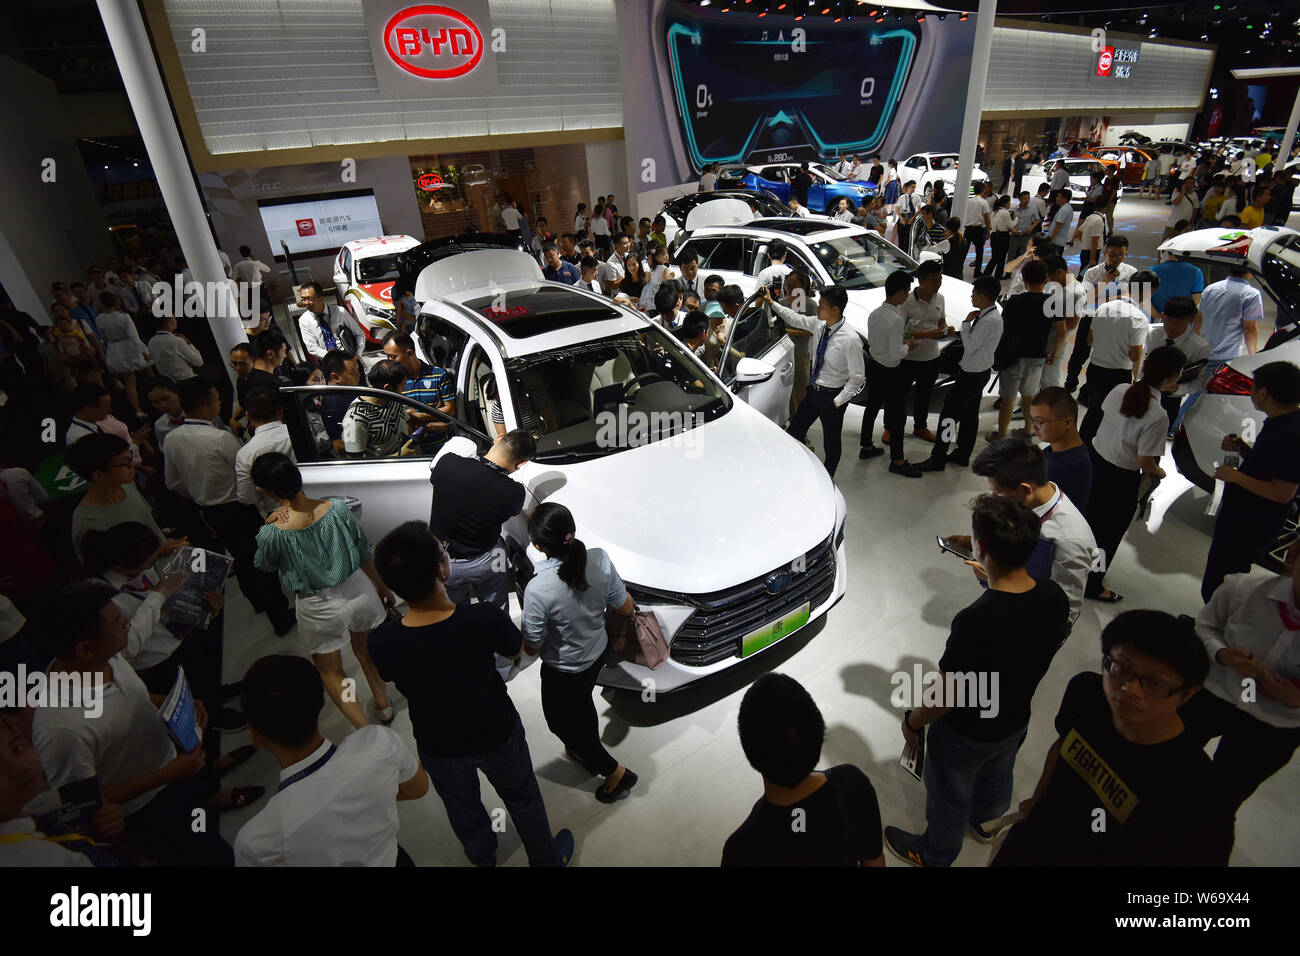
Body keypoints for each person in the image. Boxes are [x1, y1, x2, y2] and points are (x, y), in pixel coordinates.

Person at [370, 521, 574, 868]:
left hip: (437, 743)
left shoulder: (382, 640)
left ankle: (483, 856)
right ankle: (546, 860)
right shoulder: (482, 618)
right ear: (442, 569)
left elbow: (396, 678)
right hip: (496, 729)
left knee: (461, 807)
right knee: (523, 797)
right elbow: (515, 651)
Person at [884, 494, 1068, 867]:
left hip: (965, 732)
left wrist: (913, 721)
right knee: (999, 774)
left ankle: (935, 853)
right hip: (1015, 718)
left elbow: (947, 694)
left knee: (949, 794)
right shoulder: (1054, 596)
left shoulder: (976, 621)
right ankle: (986, 822)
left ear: (980, 547)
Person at [995, 610, 1234, 867]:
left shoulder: (1201, 799)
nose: (1129, 689)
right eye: (1120, 668)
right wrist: (1040, 798)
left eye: (1154, 683)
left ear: (1187, 694)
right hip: (1030, 846)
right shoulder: (1087, 693)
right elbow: (1065, 745)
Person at [30, 582, 241, 866]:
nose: (128, 621)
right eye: (118, 622)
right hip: (149, 809)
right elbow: (86, 801)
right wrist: (168, 774)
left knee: (207, 836)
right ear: (84, 649)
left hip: (176, 771)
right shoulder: (62, 728)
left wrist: (172, 701)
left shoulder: (106, 656)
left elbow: (131, 695)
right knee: (202, 856)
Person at [234, 654, 428, 866]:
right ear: (322, 701)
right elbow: (419, 787)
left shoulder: (256, 842)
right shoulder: (380, 744)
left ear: (255, 735)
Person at [251, 454, 396, 729]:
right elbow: (364, 551)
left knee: (334, 672)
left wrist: (270, 525)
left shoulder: (273, 533)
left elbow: (264, 564)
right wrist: (382, 586)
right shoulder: (338, 510)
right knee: (366, 652)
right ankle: (383, 705)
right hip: (358, 590)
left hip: (318, 606)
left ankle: (363, 727)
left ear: (265, 490)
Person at [521, 503, 638, 802]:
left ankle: (614, 772)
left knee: (558, 721)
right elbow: (624, 606)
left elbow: (533, 644)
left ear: (537, 545)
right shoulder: (598, 558)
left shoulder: (539, 588)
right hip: (597, 652)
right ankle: (583, 749)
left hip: (564, 668)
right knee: (582, 702)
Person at [166, 378, 296, 633]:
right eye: (216, 399)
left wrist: (198, 493)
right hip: (238, 508)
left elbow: (172, 482)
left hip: (208, 511)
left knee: (241, 560)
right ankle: (280, 617)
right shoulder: (220, 439)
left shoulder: (171, 439)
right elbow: (245, 475)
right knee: (260, 562)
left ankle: (258, 603)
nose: (220, 402)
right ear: (204, 407)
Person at [722, 672, 884, 867]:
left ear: (748, 747)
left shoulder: (741, 849)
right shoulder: (853, 784)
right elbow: (873, 861)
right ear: (817, 731)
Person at [1186, 541, 1300, 815]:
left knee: (1222, 800)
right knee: (1162, 763)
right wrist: (1223, 654)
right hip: (1215, 689)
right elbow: (1206, 626)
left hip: (1276, 722)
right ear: (1294, 557)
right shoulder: (1245, 589)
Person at [1085, 346, 1186, 603]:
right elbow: (1145, 461)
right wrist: (1160, 472)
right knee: (1108, 535)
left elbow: (1105, 420)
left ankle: (1072, 564)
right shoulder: (1157, 414)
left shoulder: (1120, 389)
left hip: (1095, 462)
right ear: (1173, 377)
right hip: (1120, 479)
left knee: (1089, 520)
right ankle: (1093, 584)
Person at [964, 438, 1097, 625]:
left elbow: (1063, 612)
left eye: (997, 491)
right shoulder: (1029, 501)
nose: (994, 498)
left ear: (1025, 489)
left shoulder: (1070, 540)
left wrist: (1000, 583)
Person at [1201, 361, 1300, 601]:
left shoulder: (1292, 434)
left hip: (1251, 523)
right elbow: (1271, 469)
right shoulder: (1280, 423)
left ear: (1265, 393)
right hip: (1242, 516)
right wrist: (1244, 450)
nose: (1251, 393)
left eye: (1254, 388)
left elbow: (1282, 492)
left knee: (1222, 581)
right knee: (1218, 575)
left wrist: (1235, 476)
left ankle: (1214, 630)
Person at [429, 428, 535, 620]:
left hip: (444, 561)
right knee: (496, 612)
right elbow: (509, 511)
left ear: (499, 439)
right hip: (489, 559)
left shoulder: (449, 462)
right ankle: (500, 645)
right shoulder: (514, 492)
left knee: (454, 616)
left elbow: (434, 476)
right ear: (521, 464)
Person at [761, 285, 863, 477]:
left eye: (822, 306)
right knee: (795, 431)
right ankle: (795, 469)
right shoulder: (819, 324)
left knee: (831, 443)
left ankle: (828, 479)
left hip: (833, 396)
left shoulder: (850, 339)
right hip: (814, 391)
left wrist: (838, 401)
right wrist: (771, 302)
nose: (817, 309)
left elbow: (858, 376)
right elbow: (794, 318)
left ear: (835, 309)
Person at [920, 276, 1004, 471]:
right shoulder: (991, 315)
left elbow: (971, 345)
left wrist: (966, 324)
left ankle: (938, 457)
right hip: (979, 372)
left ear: (983, 296)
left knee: (949, 417)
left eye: (974, 293)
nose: (971, 296)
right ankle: (962, 453)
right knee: (969, 416)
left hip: (971, 375)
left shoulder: (988, 320)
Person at [67, 432, 181, 561]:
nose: (133, 465)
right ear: (99, 475)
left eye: (130, 457)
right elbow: (105, 572)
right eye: (125, 463)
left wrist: (162, 543)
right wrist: (157, 554)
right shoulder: (88, 522)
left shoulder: (126, 485)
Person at [1078, 270, 1159, 447]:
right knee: (1106, 414)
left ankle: (1083, 442)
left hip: (1094, 368)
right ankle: (1090, 446)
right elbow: (1135, 356)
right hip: (1117, 374)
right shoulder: (1138, 318)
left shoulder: (1104, 307)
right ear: (1150, 291)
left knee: (1095, 409)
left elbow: (1090, 339)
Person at [857, 271, 923, 477]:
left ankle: (866, 447)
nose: (907, 296)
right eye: (907, 292)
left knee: (872, 407)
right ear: (900, 292)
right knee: (897, 416)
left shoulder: (874, 313)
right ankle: (898, 459)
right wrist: (909, 345)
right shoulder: (895, 319)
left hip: (875, 366)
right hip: (891, 371)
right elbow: (896, 355)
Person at [990, 261, 1063, 442]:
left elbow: (1002, 327)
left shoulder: (1015, 300)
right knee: (1030, 397)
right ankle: (1028, 431)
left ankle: (1001, 434)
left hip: (1013, 356)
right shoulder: (1052, 302)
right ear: (1046, 279)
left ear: (1023, 279)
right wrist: (1055, 352)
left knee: (1008, 398)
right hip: (1037, 356)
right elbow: (1061, 331)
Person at [891, 259, 946, 443]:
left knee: (924, 396)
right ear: (921, 281)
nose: (938, 285)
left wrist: (945, 329)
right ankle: (890, 427)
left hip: (931, 357)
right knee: (898, 395)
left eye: (940, 280)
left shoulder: (940, 298)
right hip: (908, 357)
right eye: (934, 281)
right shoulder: (906, 301)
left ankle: (920, 427)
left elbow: (941, 321)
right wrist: (931, 333)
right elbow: (901, 330)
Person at [382, 330, 456, 454]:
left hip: (441, 449)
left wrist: (417, 416)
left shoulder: (438, 375)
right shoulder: (393, 382)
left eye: (393, 356)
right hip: (409, 453)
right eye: (387, 356)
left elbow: (450, 410)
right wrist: (433, 418)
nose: (389, 361)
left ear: (409, 353)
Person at [1145, 296, 1210, 433]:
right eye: (1169, 320)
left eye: (1180, 322)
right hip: (1145, 391)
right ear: (1162, 316)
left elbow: (1199, 382)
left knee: (1158, 437)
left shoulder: (1199, 347)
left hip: (1170, 399)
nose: (1172, 326)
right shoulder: (1151, 334)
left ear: (1191, 319)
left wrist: (1177, 387)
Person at [234, 387, 296, 515]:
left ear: (248, 415)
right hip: (313, 501)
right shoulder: (301, 435)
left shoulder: (245, 453)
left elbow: (246, 497)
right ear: (281, 411)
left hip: (278, 514)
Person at [1030, 386, 1092, 509]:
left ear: (1067, 423)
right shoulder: (1058, 451)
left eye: (1040, 422)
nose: (1033, 428)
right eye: (1032, 420)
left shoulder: (1064, 467)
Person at [341, 359, 410, 459]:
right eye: (403, 384)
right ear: (388, 388)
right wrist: (398, 456)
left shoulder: (394, 399)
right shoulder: (355, 418)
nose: (405, 387)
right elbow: (354, 462)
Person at [1199, 266, 1263, 375]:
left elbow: (1199, 318)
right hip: (1227, 353)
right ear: (1250, 272)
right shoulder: (1251, 294)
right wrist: (1253, 356)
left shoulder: (1211, 288)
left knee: (1198, 386)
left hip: (1203, 351)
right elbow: (1250, 329)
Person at [95, 292, 149, 418]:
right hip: (129, 346)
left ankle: (137, 409)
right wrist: (143, 351)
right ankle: (145, 403)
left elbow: (103, 336)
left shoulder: (99, 319)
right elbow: (134, 336)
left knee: (129, 380)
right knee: (144, 374)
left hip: (114, 347)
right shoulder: (124, 317)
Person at [779, 271, 816, 420]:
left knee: (800, 393)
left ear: (803, 286)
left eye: (794, 286)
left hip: (801, 354)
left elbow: (811, 332)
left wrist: (786, 331)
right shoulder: (781, 303)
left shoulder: (810, 304)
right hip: (783, 354)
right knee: (786, 393)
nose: (790, 289)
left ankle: (801, 431)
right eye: (788, 285)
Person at [297, 282, 355, 359]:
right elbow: (312, 347)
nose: (306, 303)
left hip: (350, 356)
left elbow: (358, 333)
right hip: (328, 361)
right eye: (303, 299)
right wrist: (333, 358)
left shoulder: (339, 311)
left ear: (321, 298)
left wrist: (357, 355)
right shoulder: (304, 320)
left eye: (309, 299)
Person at [1149, 244, 1205, 319]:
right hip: (1183, 322)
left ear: (1168, 252)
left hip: (1157, 322)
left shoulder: (1151, 270)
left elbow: (1142, 300)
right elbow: (1196, 302)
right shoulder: (1196, 271)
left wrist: (1158, 317)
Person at [961, 182, 992, 277]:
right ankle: (977, 272)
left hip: (968, 229)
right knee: (979, 252)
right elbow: (986, 217)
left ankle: (959, 268)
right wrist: (988, 230)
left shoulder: (969, 201)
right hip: (979, 229)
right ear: (983, 190)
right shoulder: (983, 202)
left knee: (964, 251)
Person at [983, 195, 1013, 280]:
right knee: (1001, 258)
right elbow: (1011, 225)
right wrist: (1017, 218)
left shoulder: (994, 212)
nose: (1010, 204)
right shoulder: (1005, 213)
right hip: (1003, 236)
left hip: (994, 236)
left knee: (994, 257)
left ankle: (986, 274)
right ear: (1005, 203)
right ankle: (998, 276)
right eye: (1009, 202)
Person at [895, 180, 920, 255]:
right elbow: (898, 209)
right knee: (901, 238)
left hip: (911, 216)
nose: (913, 189)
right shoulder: (902, 197)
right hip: (903, 216)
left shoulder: (917, 197)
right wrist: (901, 218)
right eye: (912, 187)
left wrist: (913, 218)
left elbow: (919, 209)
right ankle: (900, 254)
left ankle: (907, 254)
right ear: (908, 187)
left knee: (909, 238)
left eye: (914, 187)